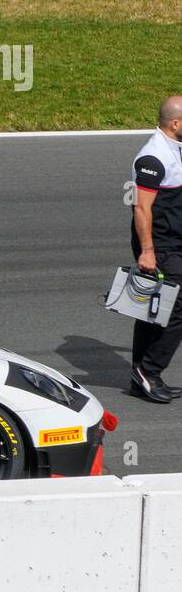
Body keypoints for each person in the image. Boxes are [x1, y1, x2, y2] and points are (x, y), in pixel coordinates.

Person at [128, 96, 182, 403]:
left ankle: (139, 375)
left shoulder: (174, 147)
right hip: (160, 243)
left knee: (151, 306)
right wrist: (147, 251)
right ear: (175, 124)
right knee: (177, 305)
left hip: (174, 239)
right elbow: (142, 209)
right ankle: (150, 371)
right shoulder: (152, 158)